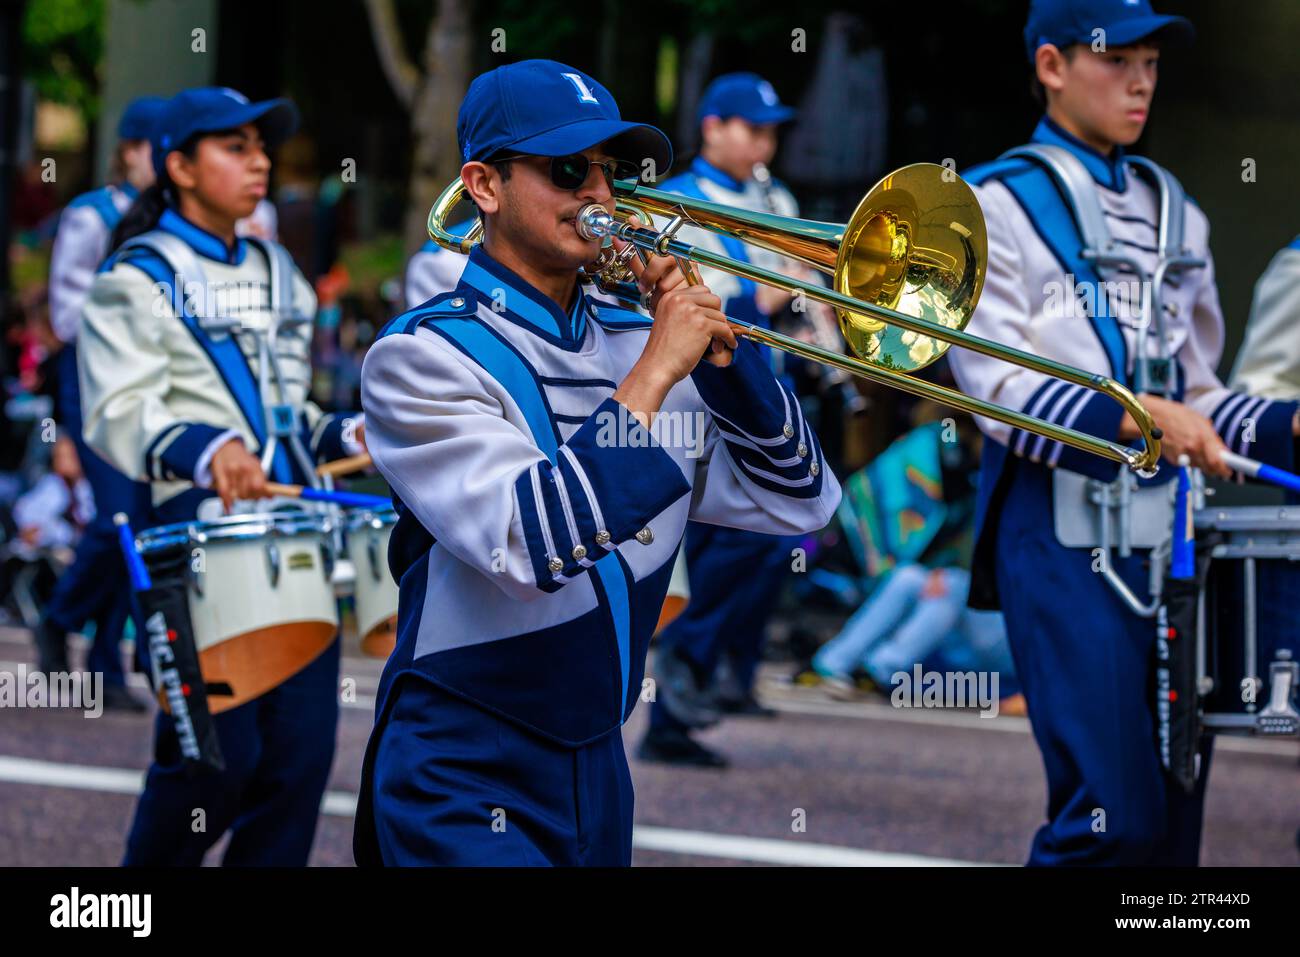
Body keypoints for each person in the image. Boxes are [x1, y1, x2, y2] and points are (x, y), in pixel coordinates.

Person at [353, 59, 840, 866]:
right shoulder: (422, 355)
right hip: (464, 764)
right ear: (483, 185)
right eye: (568, 170)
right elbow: (532, 540)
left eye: (609, 172)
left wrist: (728, 362)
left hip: (598, 763)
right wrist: (654, 371)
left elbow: (803, 501)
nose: (600, 196)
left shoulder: (629, 336)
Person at [948, 0, 1300, 865]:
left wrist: (1289, 426)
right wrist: (1142, 417)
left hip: (1171, 532)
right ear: (1052, 65)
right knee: (1110, 824)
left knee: (1175, 827)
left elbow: (1200, 391)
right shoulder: (990, 204)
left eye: (1151, 60)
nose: (1141, 80)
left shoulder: (1175, 209)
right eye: (1116, 59)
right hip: (1057, 527)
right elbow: (995, 388)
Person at [78, 86, 364, 866]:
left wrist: (353, 432)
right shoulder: (133, 278)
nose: (260, 161)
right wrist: (208, 448)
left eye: (261, 147)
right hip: (195, 547)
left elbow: (289, 413)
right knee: (213, 765)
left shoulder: (279, 269)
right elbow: (118, 409)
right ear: (179, 165)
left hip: (294, 542)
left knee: (297, 769)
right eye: (234, 147)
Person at [639, 72, 817, 768]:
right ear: (713, 127)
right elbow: (682, 305)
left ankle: (713, 678)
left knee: (778, 538)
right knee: (751, 542)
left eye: (772, 130)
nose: (765, 142)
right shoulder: (676, 204)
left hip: (765, 391)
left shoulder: (778, 201)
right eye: (753, 127)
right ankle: (678, 681)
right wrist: (766, 302)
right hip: (700, 404)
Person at [33, 96, 166, 708]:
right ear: (130, 151)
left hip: (148, 384)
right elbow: (63, 314)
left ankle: (108, 659)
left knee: (139, 519)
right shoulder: (92, 215)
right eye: (154, 150)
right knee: (120, 520)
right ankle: (61, 619)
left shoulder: (165, 218)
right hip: (93, 379)